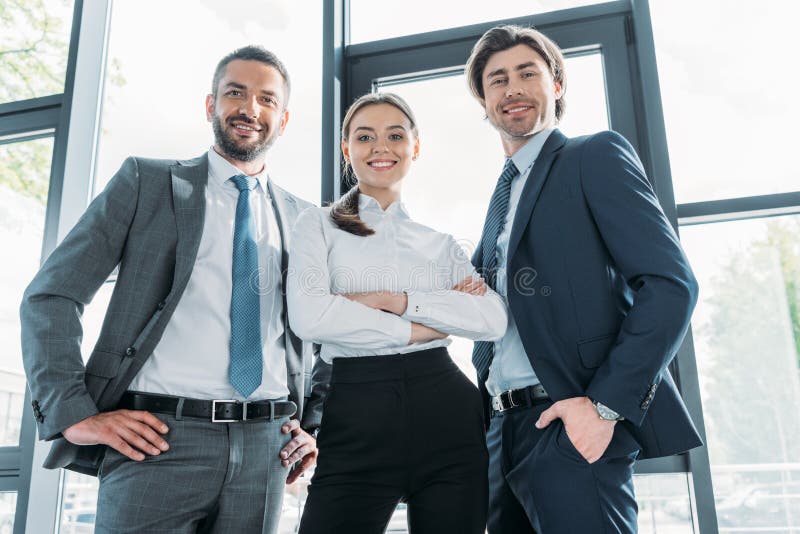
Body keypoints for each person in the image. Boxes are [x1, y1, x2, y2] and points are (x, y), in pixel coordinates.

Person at [20, 45, 326, 534]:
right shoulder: (147, 183)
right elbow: (51, 296)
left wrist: (313, 426)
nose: (250, 108)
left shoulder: (307, 220)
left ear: (283, 119)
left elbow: (325, 333)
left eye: (266, 100)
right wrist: (72, 412)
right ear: (211, 105)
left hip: (265, 450)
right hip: (158, 442)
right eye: (235, 93)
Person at [464, 25, 703, 533]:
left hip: (569, 424)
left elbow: (670, 284)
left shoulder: (592, 156)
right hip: (500, 430)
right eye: (496, 80)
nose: (512, 89)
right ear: (483, 102)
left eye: (528, 73)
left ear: (557, 84)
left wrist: (605, 409)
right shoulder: (500, 198)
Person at [287, 92, 507, 534]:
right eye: (365, 137)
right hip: (355, 413)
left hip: (447, 414)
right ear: (347, 150)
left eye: (394, 135)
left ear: (415, 147)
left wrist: (399, 302)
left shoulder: (440, 244)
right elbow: (310, 318)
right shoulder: (316, 225)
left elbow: (493, 320)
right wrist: (422, 329)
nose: (380, 147)